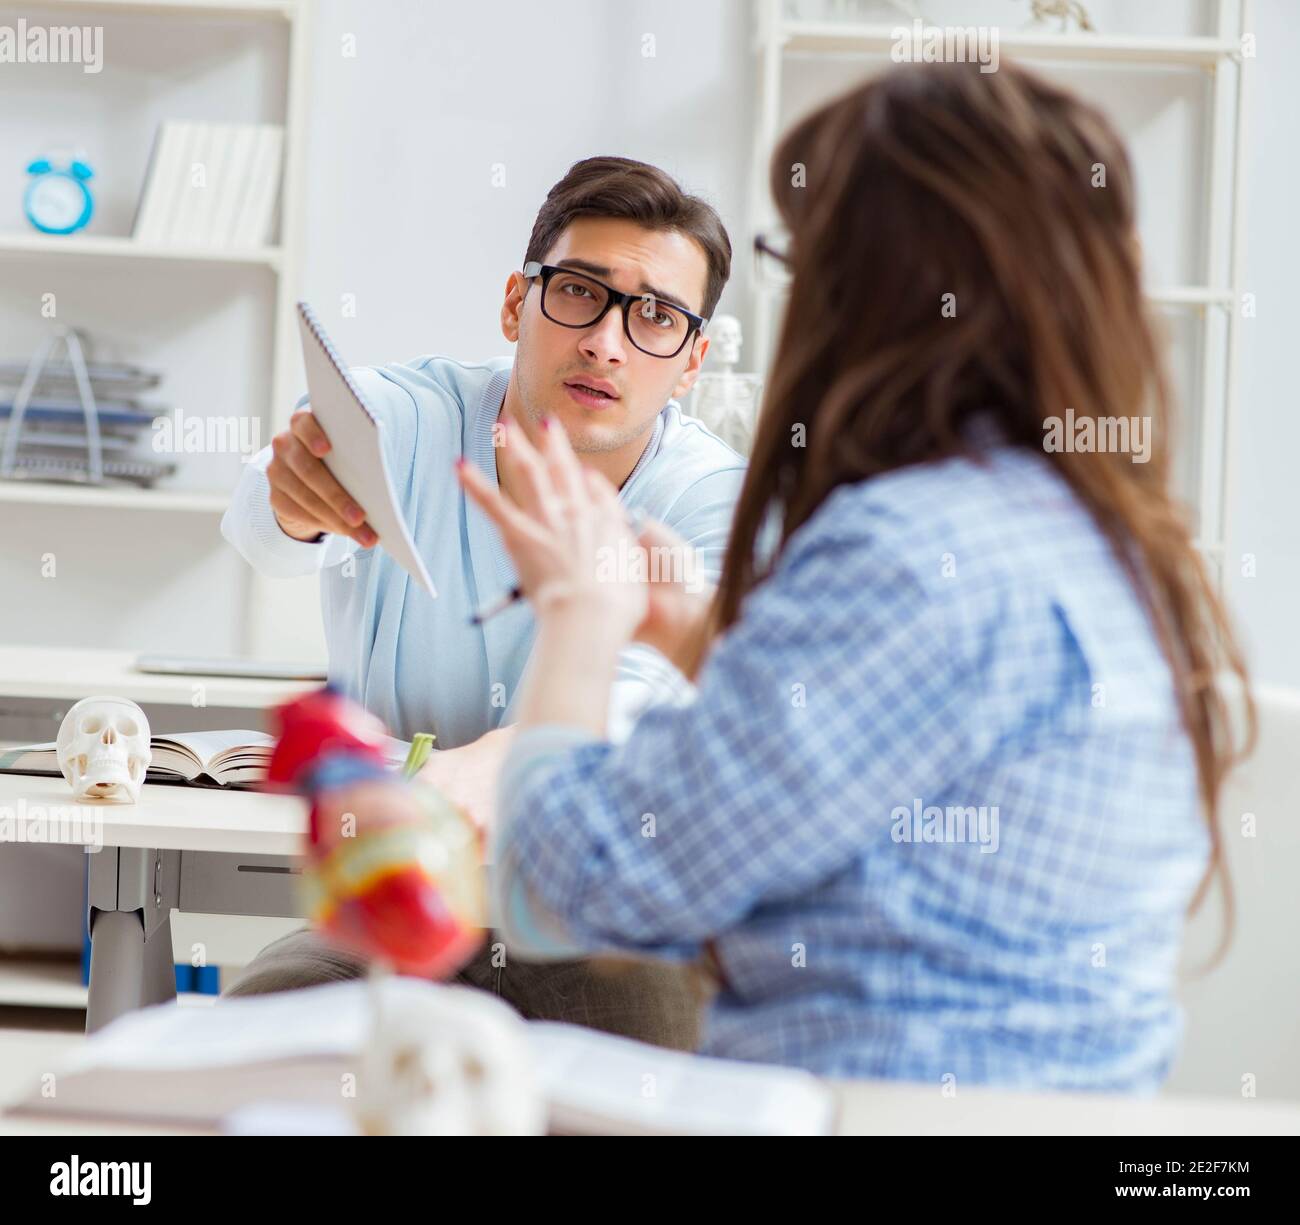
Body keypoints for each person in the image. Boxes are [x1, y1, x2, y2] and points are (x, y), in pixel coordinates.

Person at [460, 62, 1253, 1089]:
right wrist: (700, 635)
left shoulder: (910, 549)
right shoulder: (1092, 532)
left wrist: (578, 612)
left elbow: (561, 886)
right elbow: (886, 751)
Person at [221, 157, 745, 1050]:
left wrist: (494, 766)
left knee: (669, 1074)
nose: (606, 343)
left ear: (693, 361)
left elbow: (643, 688)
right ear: (517, 304)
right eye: (580, 291)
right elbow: (259, 528)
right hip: (396, 905)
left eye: (656, 317)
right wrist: (290, 500)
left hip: (605, 930)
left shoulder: (711, 499)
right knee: (257, 1041)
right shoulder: (398, 418)